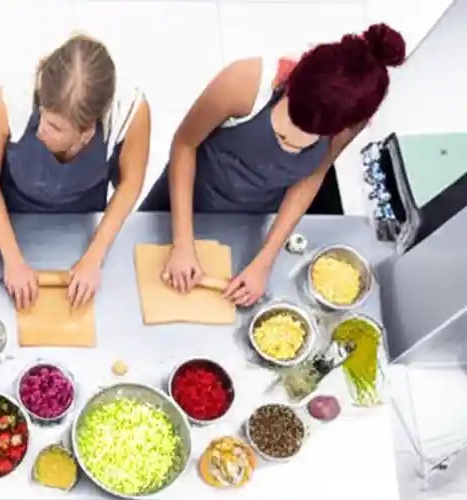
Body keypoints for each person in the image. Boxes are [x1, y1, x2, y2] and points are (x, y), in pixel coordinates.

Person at [143, 24, 405, 307]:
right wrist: (182, 242)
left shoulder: (350, 116)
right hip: (186, 198)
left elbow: (313, 176)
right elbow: (184, 145)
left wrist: (265, 262)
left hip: (254, 216)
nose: (293, 145)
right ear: (295, 80)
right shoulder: (243, 83)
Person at [0, 34, 149, 309]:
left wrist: (93, 258)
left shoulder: (130, 112)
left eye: (55, 127)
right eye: (43, 117)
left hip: (79, 218)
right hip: (6, 210)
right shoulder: (7, 101)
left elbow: (130, 184)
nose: (40, 130)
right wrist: (13, 260)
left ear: (86, 133)